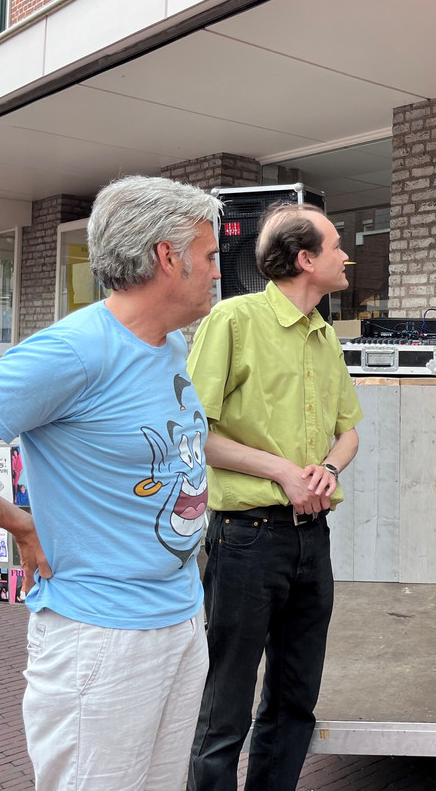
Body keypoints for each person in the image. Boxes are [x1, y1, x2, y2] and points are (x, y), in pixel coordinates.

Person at [0, 175, 223, 789]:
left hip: (178, 618)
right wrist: (14, 520)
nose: (216, 272)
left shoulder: (171, 344)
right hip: (101, 641)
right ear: (167, 257)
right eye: (208, 256)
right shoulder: (71, 353)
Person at [186, 203, 362, 790]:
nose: (347, 256)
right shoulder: (232, 321)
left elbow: (349, 431)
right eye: (336, 246)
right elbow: (192, 431)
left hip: (313, 539)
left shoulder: (325, 335)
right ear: (306, 258)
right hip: (245, 540)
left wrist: (327, 471)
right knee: (224, 712)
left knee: (293, 704)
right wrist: (285, 472)